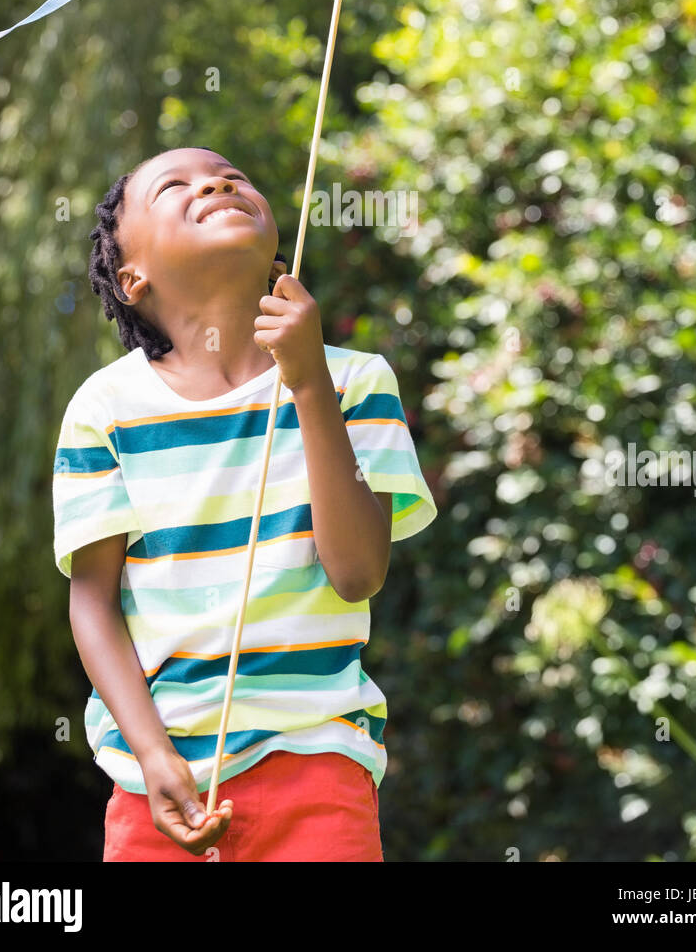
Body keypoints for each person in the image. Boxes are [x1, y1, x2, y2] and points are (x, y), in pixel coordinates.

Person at [52, 145, 437, 861]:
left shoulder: (355, 383)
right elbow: (92, 603)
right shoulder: (104, 410)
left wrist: (310, 384)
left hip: (319, 766)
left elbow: (357, 573)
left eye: (233, 176)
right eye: (177, 186)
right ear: (132, 277)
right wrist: (153, 755)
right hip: (159, 788)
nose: (218, 184)